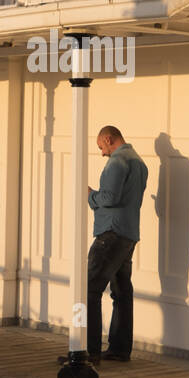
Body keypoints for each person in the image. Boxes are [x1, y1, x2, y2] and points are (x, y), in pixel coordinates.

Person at [85, 125, 148, 363]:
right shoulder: (139, 162)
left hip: (110, 233)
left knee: (89, 289)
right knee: (122, 292)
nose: (102, 153)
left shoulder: (117, 162)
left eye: (101, 147)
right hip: (129, 233)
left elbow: (110, 198)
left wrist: (90, 194)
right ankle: (120, 349)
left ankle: (86, 351)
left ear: (108, 139)